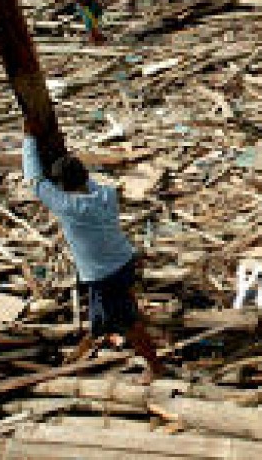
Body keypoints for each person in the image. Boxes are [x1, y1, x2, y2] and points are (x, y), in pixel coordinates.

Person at [22, 129, 164, 384]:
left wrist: (30, 140)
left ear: (63, 185)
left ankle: (154, 366)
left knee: (127, 322)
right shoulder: (105, 195)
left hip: (104, 273)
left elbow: (34, 180)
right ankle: (111, 329)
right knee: (121, 306)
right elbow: (79, 182)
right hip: (124, 259)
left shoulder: (69, 207)